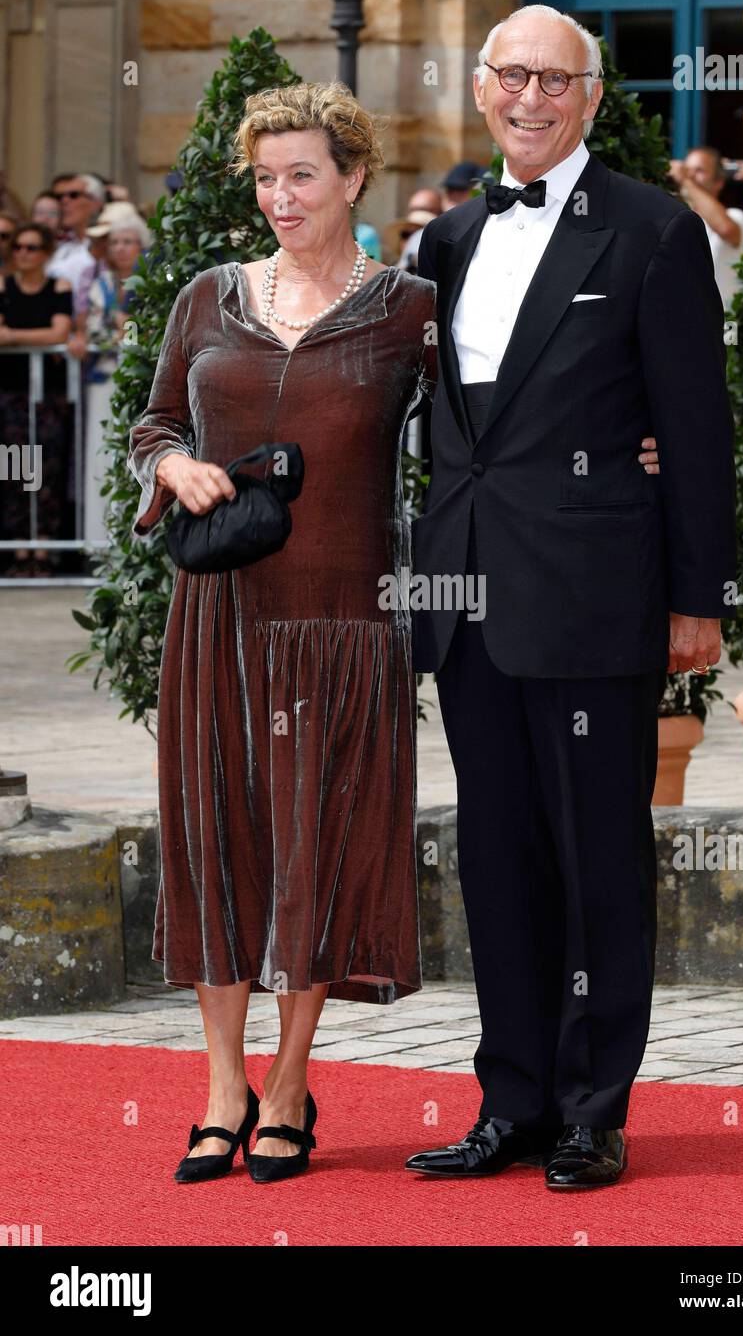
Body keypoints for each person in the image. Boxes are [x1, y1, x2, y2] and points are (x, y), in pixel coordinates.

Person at [404, 3, 736, 1191]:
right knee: (492, 859)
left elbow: (697, 430)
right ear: (481, 89)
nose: (532, 98)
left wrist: (699, 596)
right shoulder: (443, 242)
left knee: (599, 856)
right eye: (512, 77)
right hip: (468, 594)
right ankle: (514, 1102)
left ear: (592, 98)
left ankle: (595, 1106)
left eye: (557, 80)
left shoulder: (651, 231)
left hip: (597, 594)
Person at [126, 81, 437, 1186]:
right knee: (220, 847)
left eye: (302, 173)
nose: (280, 195)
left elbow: (484, 443)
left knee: (318, 850)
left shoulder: (408, 309)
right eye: (265, 176)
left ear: (354, 177)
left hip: (349, 625)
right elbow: (153, 417)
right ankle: (222, 1084)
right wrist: (171, 463)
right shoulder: (210, 296)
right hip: (221, 621)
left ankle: (293, 1078)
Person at [70, 210, 148, 542]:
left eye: (128, 241)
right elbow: (86, 331)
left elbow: (144, 332)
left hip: (140, 379)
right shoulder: (98, 284)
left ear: (142, 246)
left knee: (137, 455)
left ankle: (137, 542)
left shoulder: (153, 283)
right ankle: (100, 543)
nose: (120, 248)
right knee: (102, 455)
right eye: (114, 242)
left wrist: (125, 331)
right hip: (103, 378)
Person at [0, 223, 73, 576]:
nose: (23, 254)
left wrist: (12, 335)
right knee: (14, 467)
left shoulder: (59, 286)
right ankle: (17, 549)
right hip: (11, 392)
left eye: (31, 248)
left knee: (46, 469)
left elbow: (60, 332)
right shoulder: (4, 286)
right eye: (18, 248)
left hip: (49, 395)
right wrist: (32, 338)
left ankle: (43, 549)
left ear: (45, 253)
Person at [669, 147, 743, 311]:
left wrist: (685, 180)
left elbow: (726, 229)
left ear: (719, 182)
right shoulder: (674, 219)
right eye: (687, 169)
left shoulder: (735, 216)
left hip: (726, 327)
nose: (690, 175)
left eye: (699, 170)